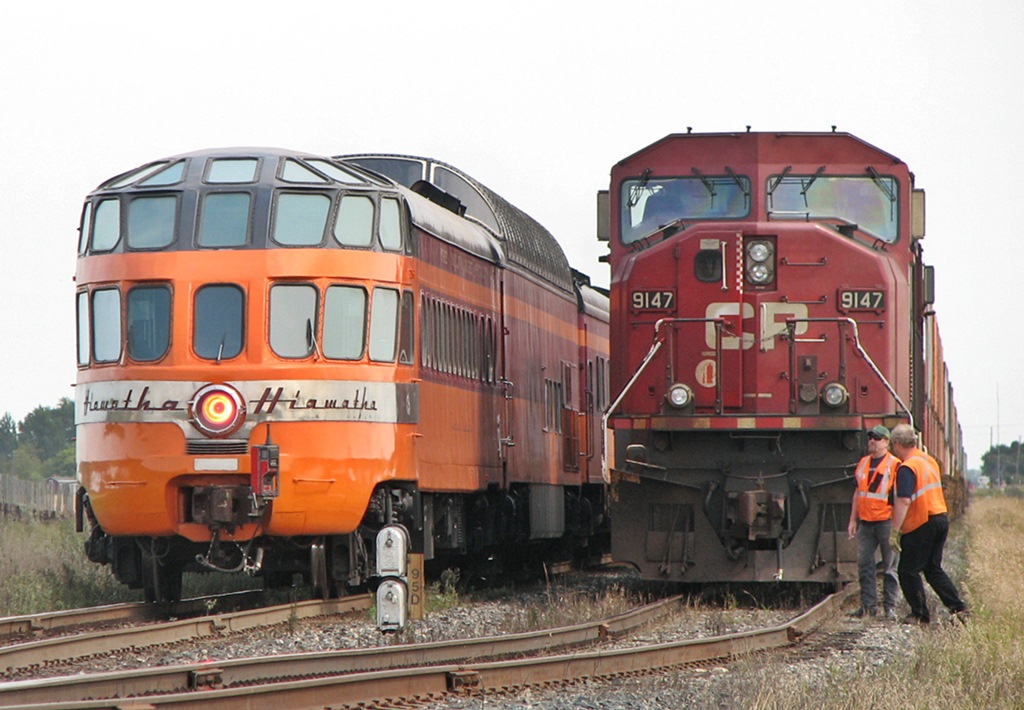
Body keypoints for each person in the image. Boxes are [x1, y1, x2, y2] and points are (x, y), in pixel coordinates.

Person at [889, 423, 969, 625]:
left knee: (907, 570)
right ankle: (959, 608)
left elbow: (904, 500)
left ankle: (919, 615)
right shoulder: (928, 460)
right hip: (940, 517)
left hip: (921, 521)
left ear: (897, 443)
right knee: (932, 569)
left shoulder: (907, 467)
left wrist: (894, 531)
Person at [846, 424, 900, 620]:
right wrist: (853, 519)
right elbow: (858, 493)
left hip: (887, 522)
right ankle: (868, 607)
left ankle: (890, 608)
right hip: (866, 523)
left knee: (890, 568)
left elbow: (900, 497)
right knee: (864, 565)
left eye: (876, 438)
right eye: (870, 438)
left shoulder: (895, 465)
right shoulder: (863, 463)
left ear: (886, 442)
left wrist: (898, 525)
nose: (871, 441)